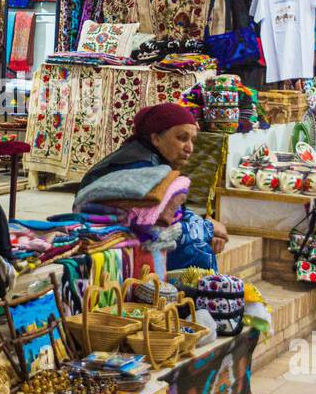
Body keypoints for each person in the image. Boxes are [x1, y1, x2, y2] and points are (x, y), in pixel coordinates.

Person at [79, 102, 228, 270]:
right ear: (156, 138)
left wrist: (206, 225)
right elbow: (155, 226)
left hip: (116, 235)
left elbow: (173, 211)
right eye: (182, 138)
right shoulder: (144, 167)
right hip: (109, 240)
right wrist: (208, 228)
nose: (190, 148)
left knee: (195, 236)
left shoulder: (143, 157)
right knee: (194, 249)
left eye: (192, 140)